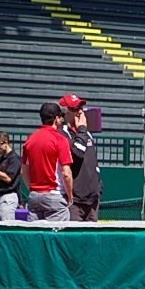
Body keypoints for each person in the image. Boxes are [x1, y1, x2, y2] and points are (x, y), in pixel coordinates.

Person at [21, 102, 73, 221]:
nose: (62, 120)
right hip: (54, 195)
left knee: (35, 232)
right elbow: (66, 173)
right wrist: (70, 196)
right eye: (60, 117)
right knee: (57, 232)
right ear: (56, 119)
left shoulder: (30, 139)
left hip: (35, 196)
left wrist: (32, 189)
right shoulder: (60, 140)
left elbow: (24, 170)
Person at [58, 93, 103, 221]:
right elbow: (77, 153)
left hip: (92, 199)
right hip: (75, 201)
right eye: (75, 109)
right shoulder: (62, 134)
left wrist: (98, 187)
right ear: (65, 112)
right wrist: (82, 129)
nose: (80, 112)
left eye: (81, 108)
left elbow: (93, 161)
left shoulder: (86, 133)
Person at [0, 132, 22, 221]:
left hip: (7, 198)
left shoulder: (14, 158)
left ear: (5, 143)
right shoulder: (4, 158)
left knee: (6, 226)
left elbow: (8, 178)